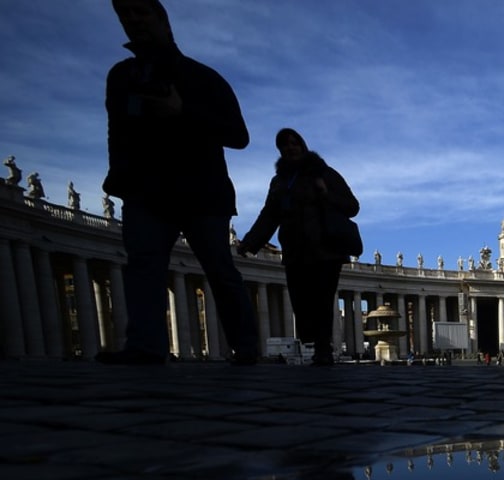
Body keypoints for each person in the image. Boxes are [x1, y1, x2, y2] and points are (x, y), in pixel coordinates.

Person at [97, 0, 258, 365]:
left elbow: (238, 135)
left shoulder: (204, 77)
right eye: (125, 15)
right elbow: (116, 131)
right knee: (143, 265)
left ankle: (246, 348)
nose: (133, 20)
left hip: (202, 190)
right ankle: (145, 347)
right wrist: (117, 177)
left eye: (141, 11)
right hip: (145, 189)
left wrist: (182, 112)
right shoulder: (122, 77)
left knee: (219, 269)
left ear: (162, 19)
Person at [238, 128, 360, 367]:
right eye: (284, 145)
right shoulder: (279, 181)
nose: (290, 147)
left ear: (302, 145)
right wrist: (251, 241)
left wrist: (326, 194)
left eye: (294, 143)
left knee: (324, 300)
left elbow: (352, 206)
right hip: (295, 249)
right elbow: (269, 215)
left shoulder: (325, 173)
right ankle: (315, 341)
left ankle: (323, 348)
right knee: (301, 301)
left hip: (326, 248)